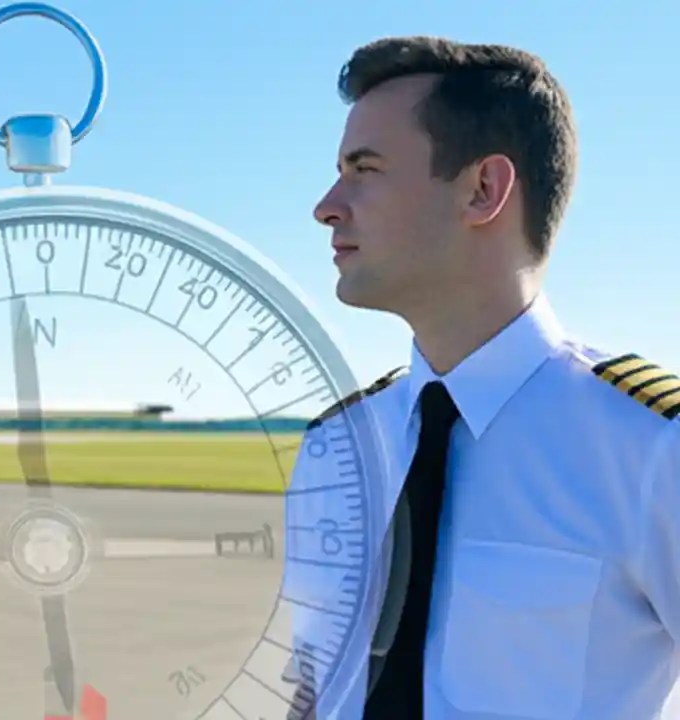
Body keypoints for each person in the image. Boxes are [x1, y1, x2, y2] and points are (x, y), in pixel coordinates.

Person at [282, 35, 680, 719]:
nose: (327, 205)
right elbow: (314, 694)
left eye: (365, 168)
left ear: (483, 190)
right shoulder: (335, 448)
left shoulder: (650, 451)